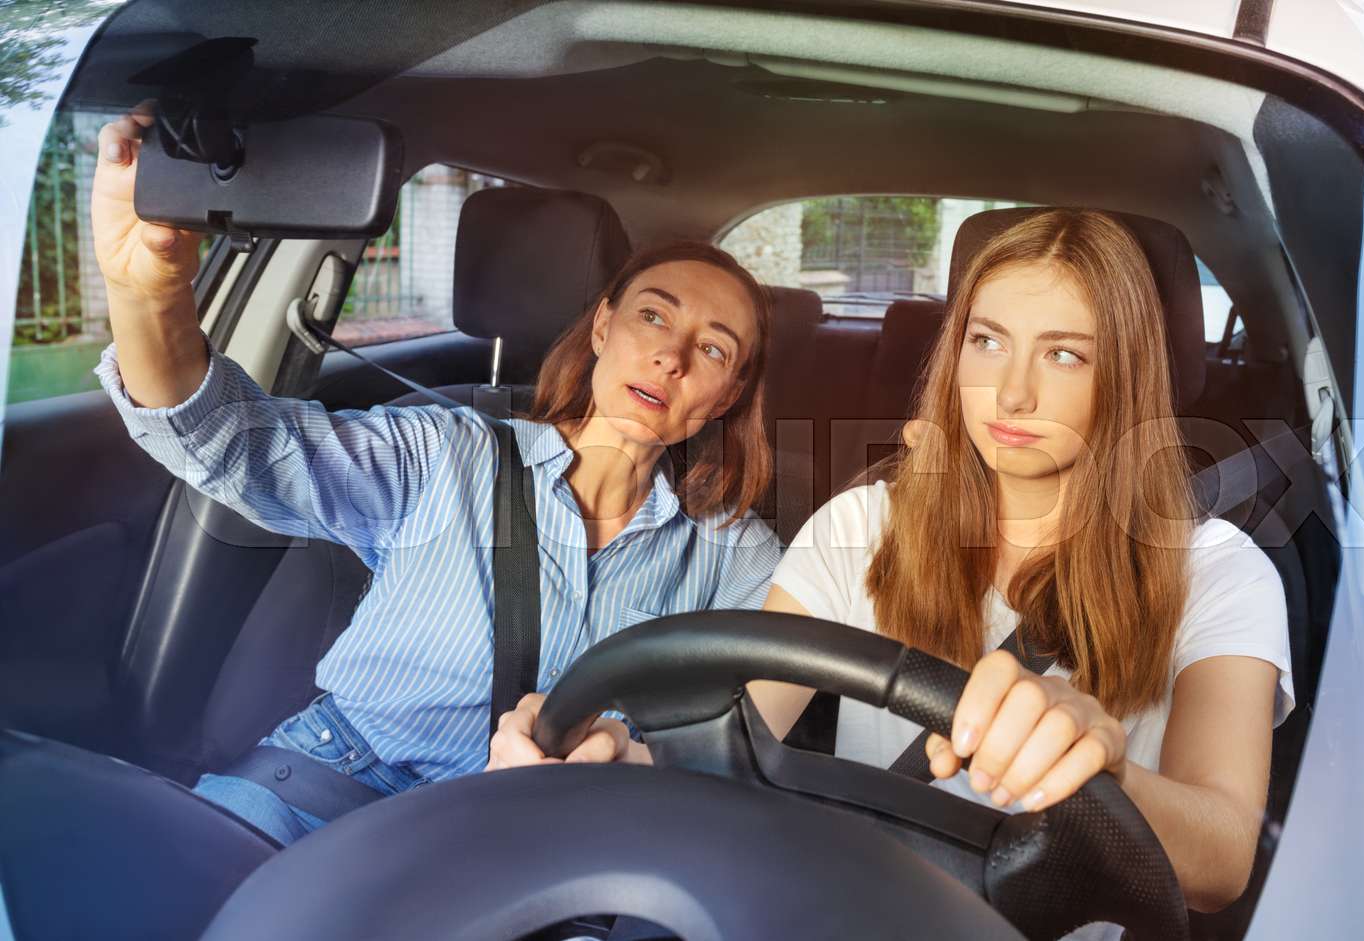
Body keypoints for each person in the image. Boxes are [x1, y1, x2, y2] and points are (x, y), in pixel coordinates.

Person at [90, 109, 781, 845]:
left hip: (543, 835)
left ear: (730, 395)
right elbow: (235, 441)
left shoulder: (736, 556)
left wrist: (633, 754)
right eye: (653, 316)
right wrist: (147, 293)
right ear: (605, 328)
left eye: (712, 350)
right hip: (332, 790)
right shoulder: (448, 451)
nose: (671, 356)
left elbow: (738, 745)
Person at [746, 209, 1295, 916]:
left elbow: (1221, 862)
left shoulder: (1220, 571)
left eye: (1064, 353)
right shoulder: (859, 524)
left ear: (1123, 377)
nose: (1012, 392)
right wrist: (619, 750)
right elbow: (736, 734)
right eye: (987, 341)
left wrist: (1107, 770)